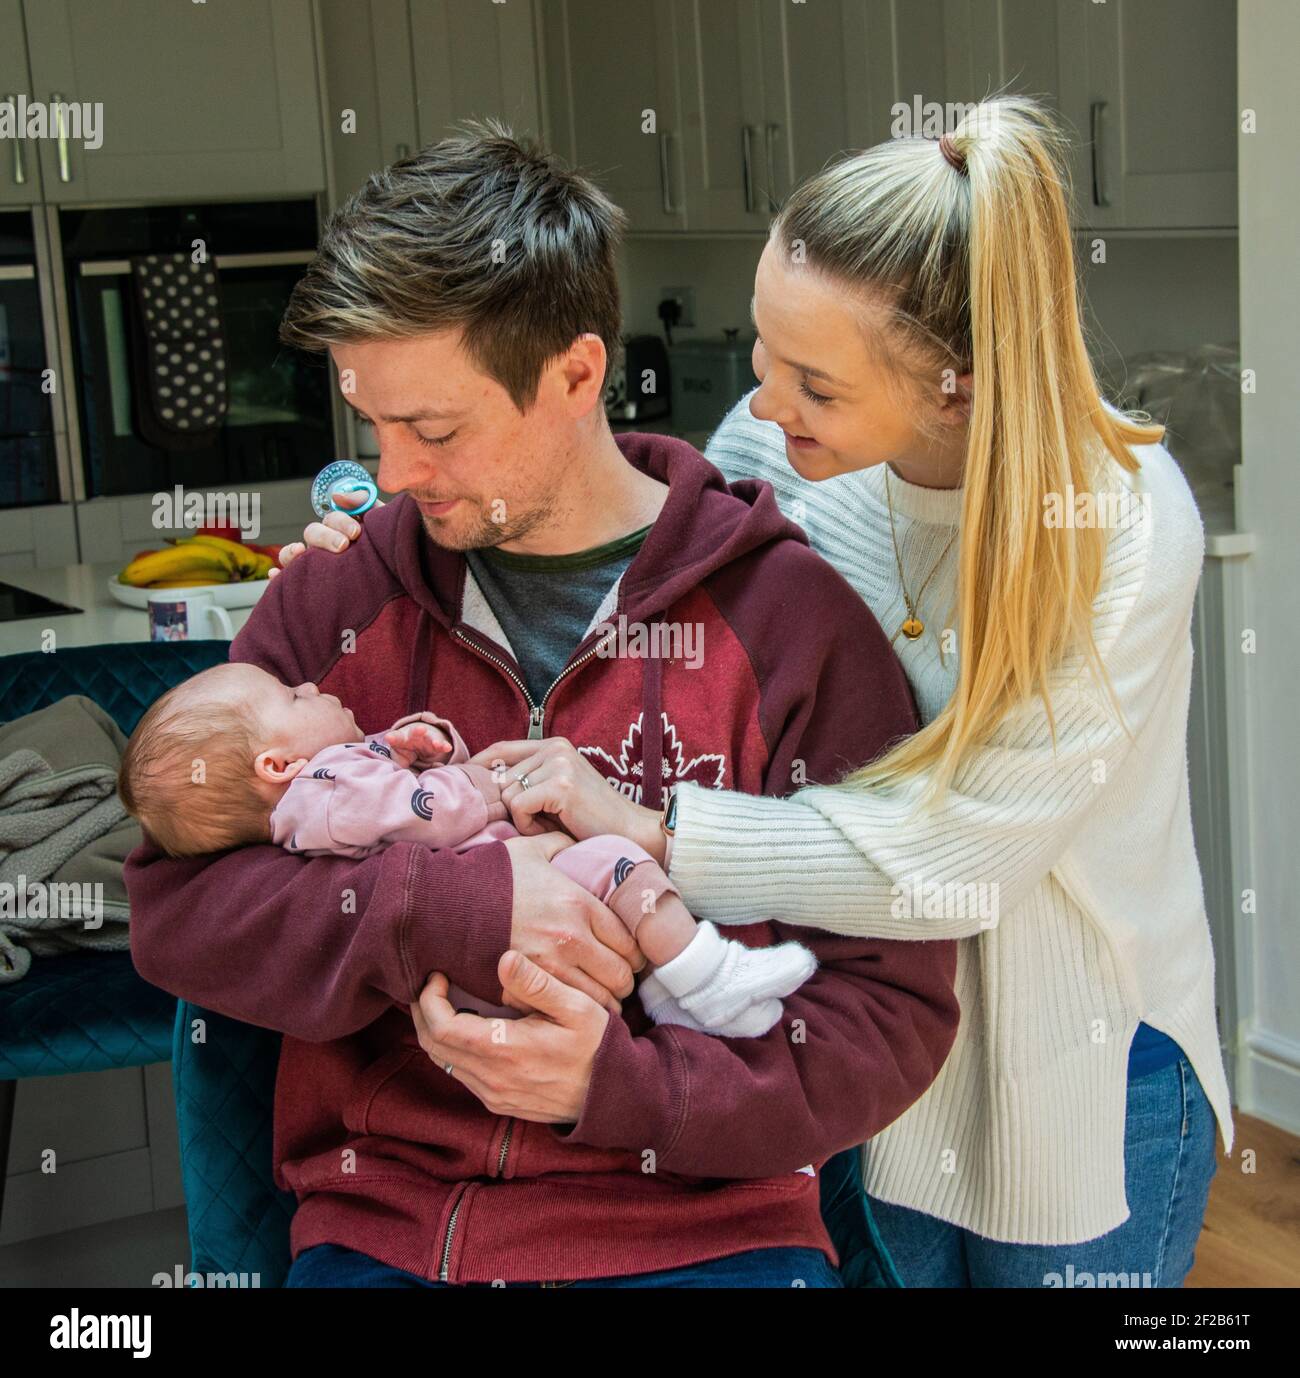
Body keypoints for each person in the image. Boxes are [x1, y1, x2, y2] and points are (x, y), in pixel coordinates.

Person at [293, 99, 1232, 1288]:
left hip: (1087, 1058)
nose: (766, 409)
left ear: (958, 386)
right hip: (887, 1049)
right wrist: (377, 541)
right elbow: (640, 525)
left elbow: (959, 857)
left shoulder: (1117, 523)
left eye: (817, 385)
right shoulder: (780, 443)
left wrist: (652, 829)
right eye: (763, 354)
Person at [124, 122, 960, 1289]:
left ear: (575, 374)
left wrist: (618, 1092)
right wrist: (442, 905)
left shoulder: (792, 626)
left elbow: (890, 1009)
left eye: (434, 428)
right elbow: (177, 911)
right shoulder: (334, 602)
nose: (394, 471)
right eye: (376, 422)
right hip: (387, 1235)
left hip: (707, 1238)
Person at [117, 663, 818, 1035]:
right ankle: (706, 975)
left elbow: (390, 789)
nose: (308, 684)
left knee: (617, 867)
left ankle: (674, 993)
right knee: (621, 864)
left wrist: (414, 746)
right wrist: (492, 785)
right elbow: (424, 814)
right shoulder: (324, 790)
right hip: (496, 974)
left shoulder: (327, 782)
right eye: (293, 698)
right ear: (277, 767)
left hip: (504, 975)